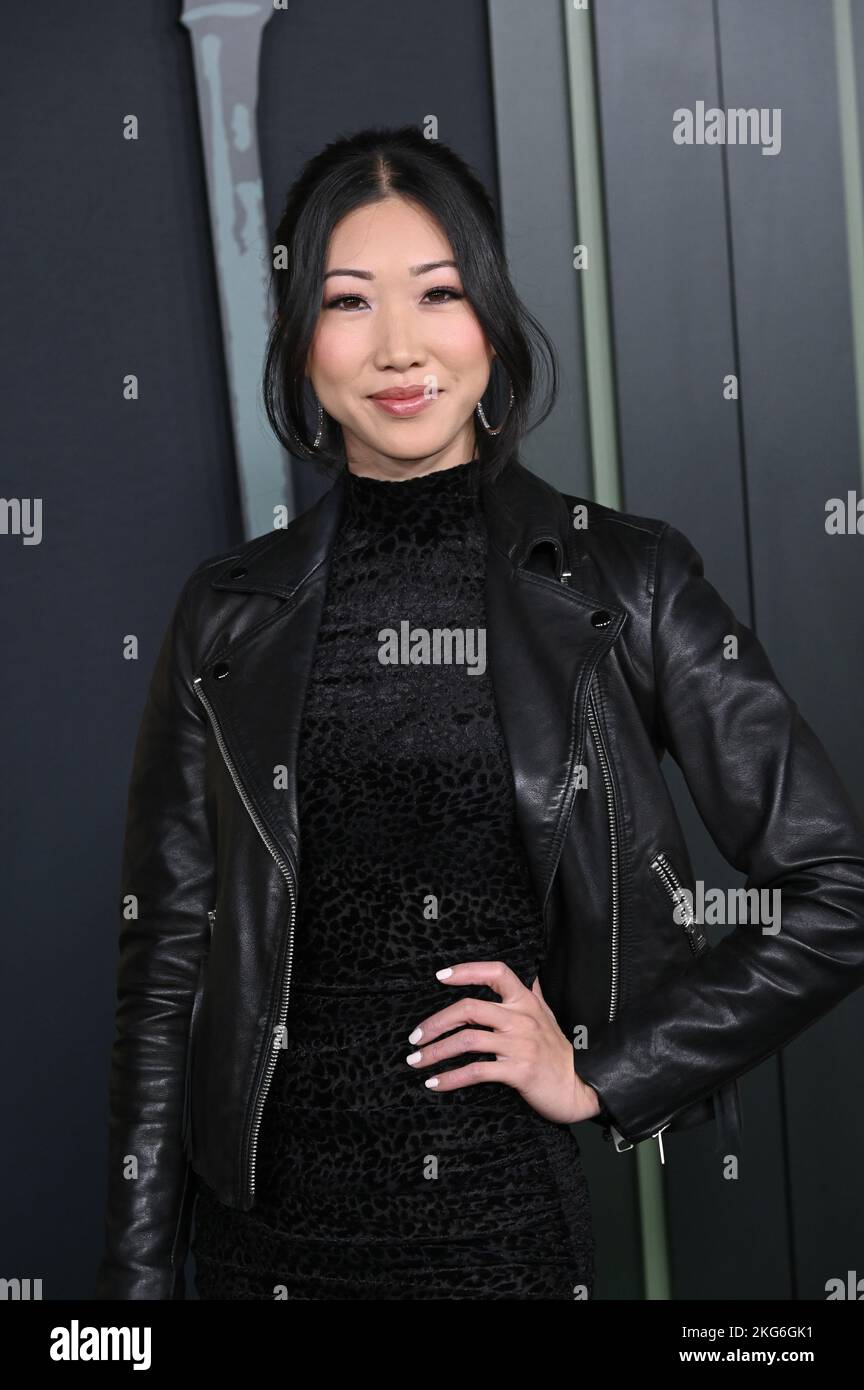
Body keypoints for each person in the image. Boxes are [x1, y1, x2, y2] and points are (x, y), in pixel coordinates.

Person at [95, 125, 864, 1301]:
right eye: (349, 301)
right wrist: (133, 1305)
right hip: (261, 1250)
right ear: (301, 345)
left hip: (498, 1238)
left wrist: (605, 1069)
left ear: (493, 323)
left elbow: (837, 891)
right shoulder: (225, 614)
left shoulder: (627, 580)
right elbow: (166, 972)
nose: (399, 347)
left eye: (439, 293)